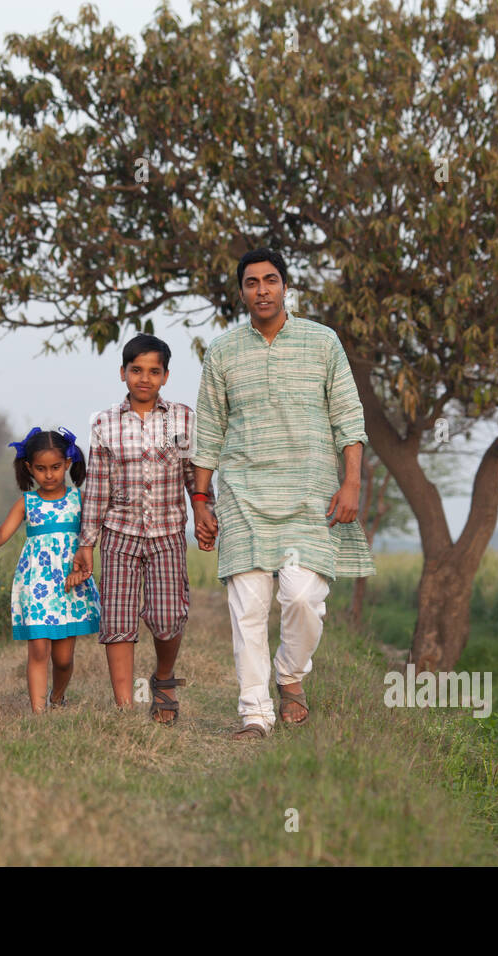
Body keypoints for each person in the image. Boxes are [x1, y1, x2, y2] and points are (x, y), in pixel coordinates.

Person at [191, 249, 377, 740]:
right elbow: (208, 432)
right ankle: (255, 713)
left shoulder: (323, 342)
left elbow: (348, 418)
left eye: (270, 280)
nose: (262, 291)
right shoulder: (223, 351)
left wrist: (352, 481)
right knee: (248, 609)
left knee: (301, 597)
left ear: (285, 286)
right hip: (244, 494)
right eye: (251, 283)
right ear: (242, 292)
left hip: (310, 494)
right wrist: (200, 501)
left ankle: (290, 674)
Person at [72, 334, 198, 724]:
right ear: (123, 373)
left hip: (167, 533)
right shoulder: (105, 423)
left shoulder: (182, 417)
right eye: (136, 370)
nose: (144, 378)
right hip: (119, 533)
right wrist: (87, 542)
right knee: (119, 620)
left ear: (165, 376)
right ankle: (124, 708)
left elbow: (194, 473)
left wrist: (205, 511)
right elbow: (97, 486)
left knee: (168, 616)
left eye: (153, 371)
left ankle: (163, 679)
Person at [0, 427, 102, 714]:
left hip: (70, 587)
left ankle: (57, 698)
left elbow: (92, 539)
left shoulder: (79, 500)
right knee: (38, 650)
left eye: (56, 467)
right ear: (29, 468)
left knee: (62, 659)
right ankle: (38, 713)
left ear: (68, 464)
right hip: (35, 586)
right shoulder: (26, 503)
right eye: (41, 469)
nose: (49, 475)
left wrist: (82, 569)